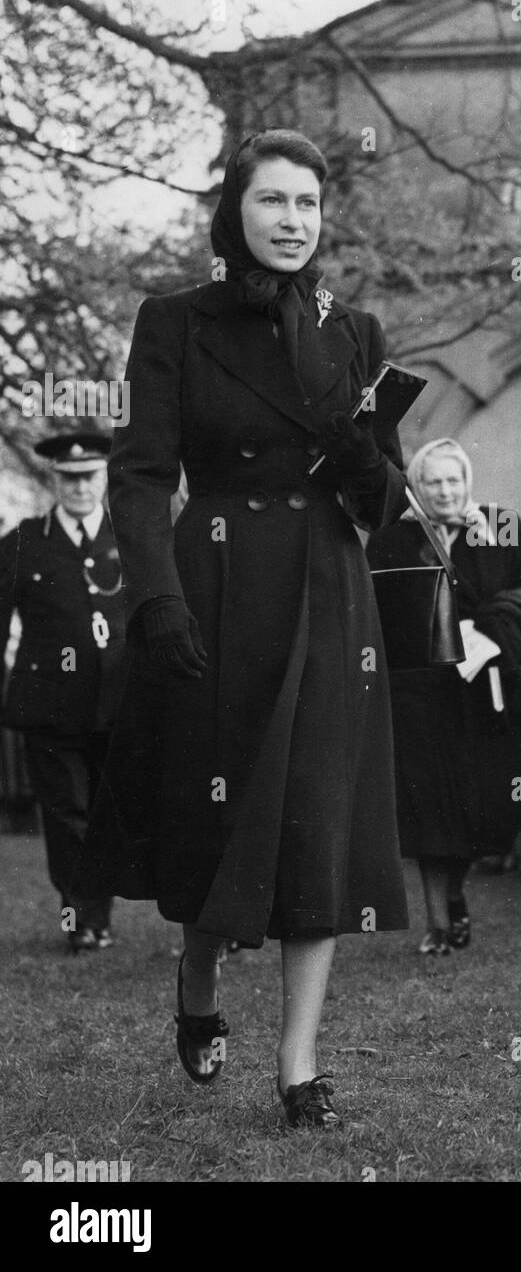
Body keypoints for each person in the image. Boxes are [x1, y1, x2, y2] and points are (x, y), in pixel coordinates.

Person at [75, 129, 409, 1128]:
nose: (292, 221)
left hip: (327, 596)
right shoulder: (174, 321)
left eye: (307, 204)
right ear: (235, 214)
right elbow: (139, 473)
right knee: (216, 818)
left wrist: (361, 460)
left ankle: (299, 1064)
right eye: (272, 201)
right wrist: (156, 594)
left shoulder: (355, 331)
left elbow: (379, 502)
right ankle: (199, 973)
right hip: (214, 582)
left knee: (318, 821)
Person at [366, 437, 521, 955]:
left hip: (483, 690)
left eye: (454, 479)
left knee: (475, 809)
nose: (445, 490)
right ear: (416, 485)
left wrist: (490, 631)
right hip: (420, 693)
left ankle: (454, 898)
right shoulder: (392, 538)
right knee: (429, 809)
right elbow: (381, 611)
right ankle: (439, 923)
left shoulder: (501, 524)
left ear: (468, 481)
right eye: (433, 481)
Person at [0, 431, 125, 952]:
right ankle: (82, 920)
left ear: (104, 478)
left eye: (89, 476)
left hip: (116, 704)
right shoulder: (23, 542)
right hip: (49, 705)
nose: (79, 488)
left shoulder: (130, 539)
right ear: (55, 480)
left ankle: (97, 915)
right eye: (69, 478)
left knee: (103, 813)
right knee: (66, 812)